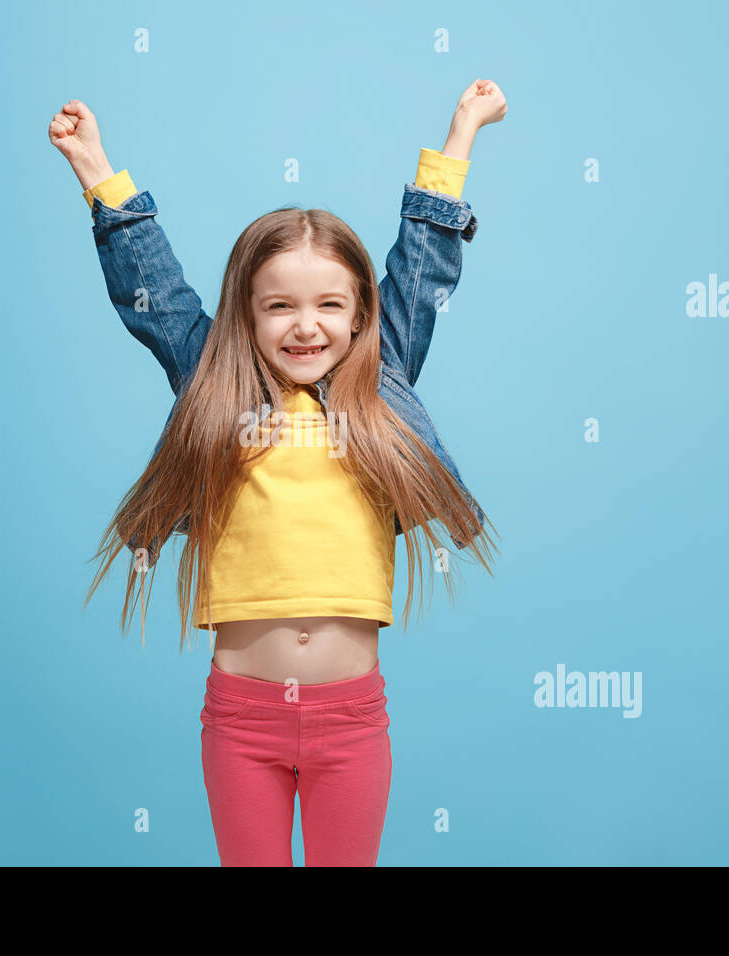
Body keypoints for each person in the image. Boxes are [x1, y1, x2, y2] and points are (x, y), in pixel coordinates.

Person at [50, 80, 505, 865]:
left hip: (352, 718)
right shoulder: (214, 379)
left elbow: (424, 270)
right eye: (279, 308)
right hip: (241, 719)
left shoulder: (379, 378)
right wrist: (97, 171)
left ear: (362, 313)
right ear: (244, 315)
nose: (306, 326)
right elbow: (150, 290)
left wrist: (461, 134)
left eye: (330, 304)